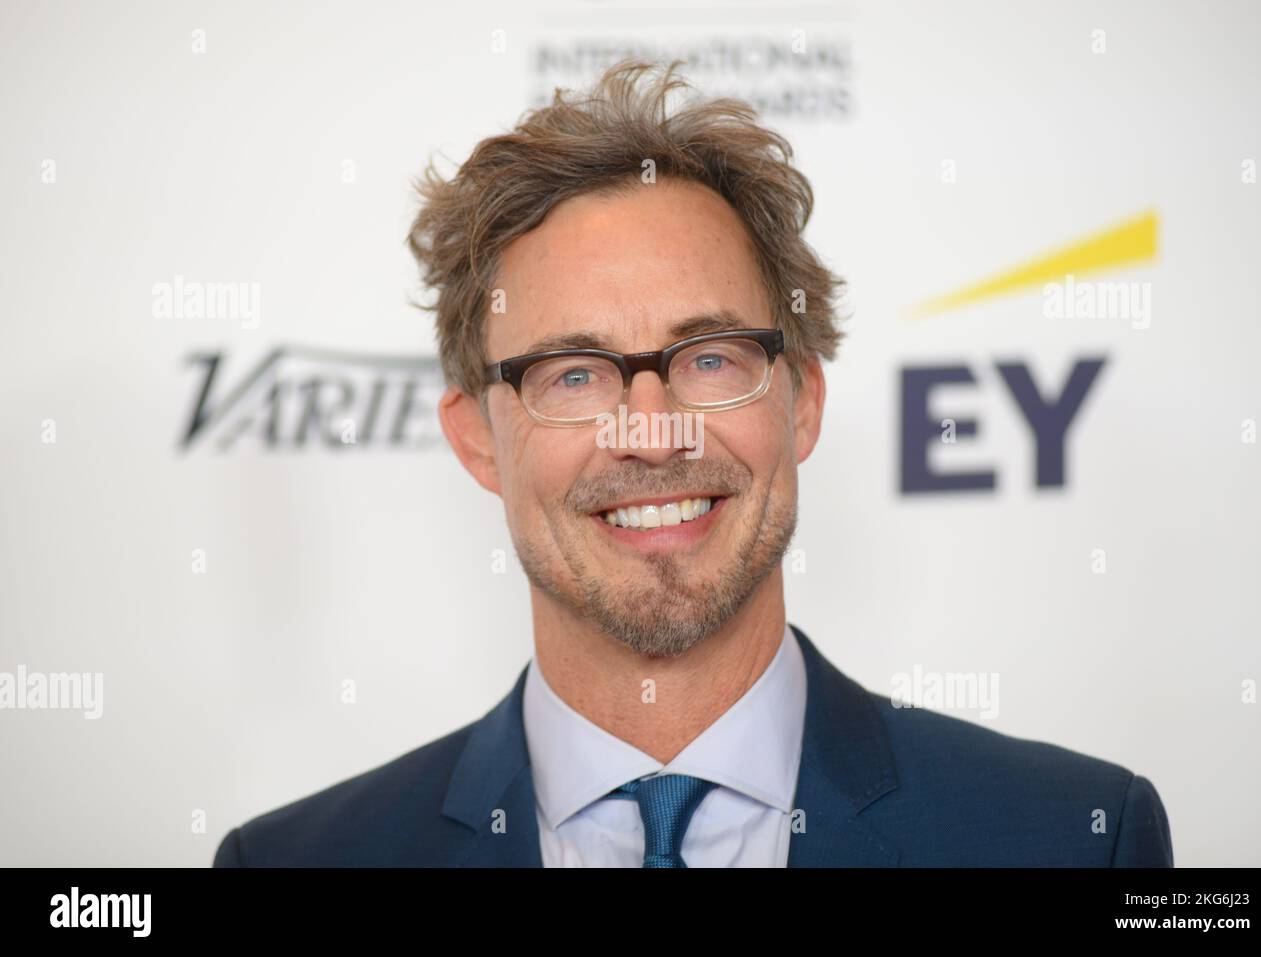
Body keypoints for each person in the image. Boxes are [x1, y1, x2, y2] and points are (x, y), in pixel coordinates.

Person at [214, 59, 1173, 867]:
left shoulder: (1070, 837)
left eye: (710, 358)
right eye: (575, 373)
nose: (652, 430)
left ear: (802, 403)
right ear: (476, 438)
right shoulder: (298, 862)